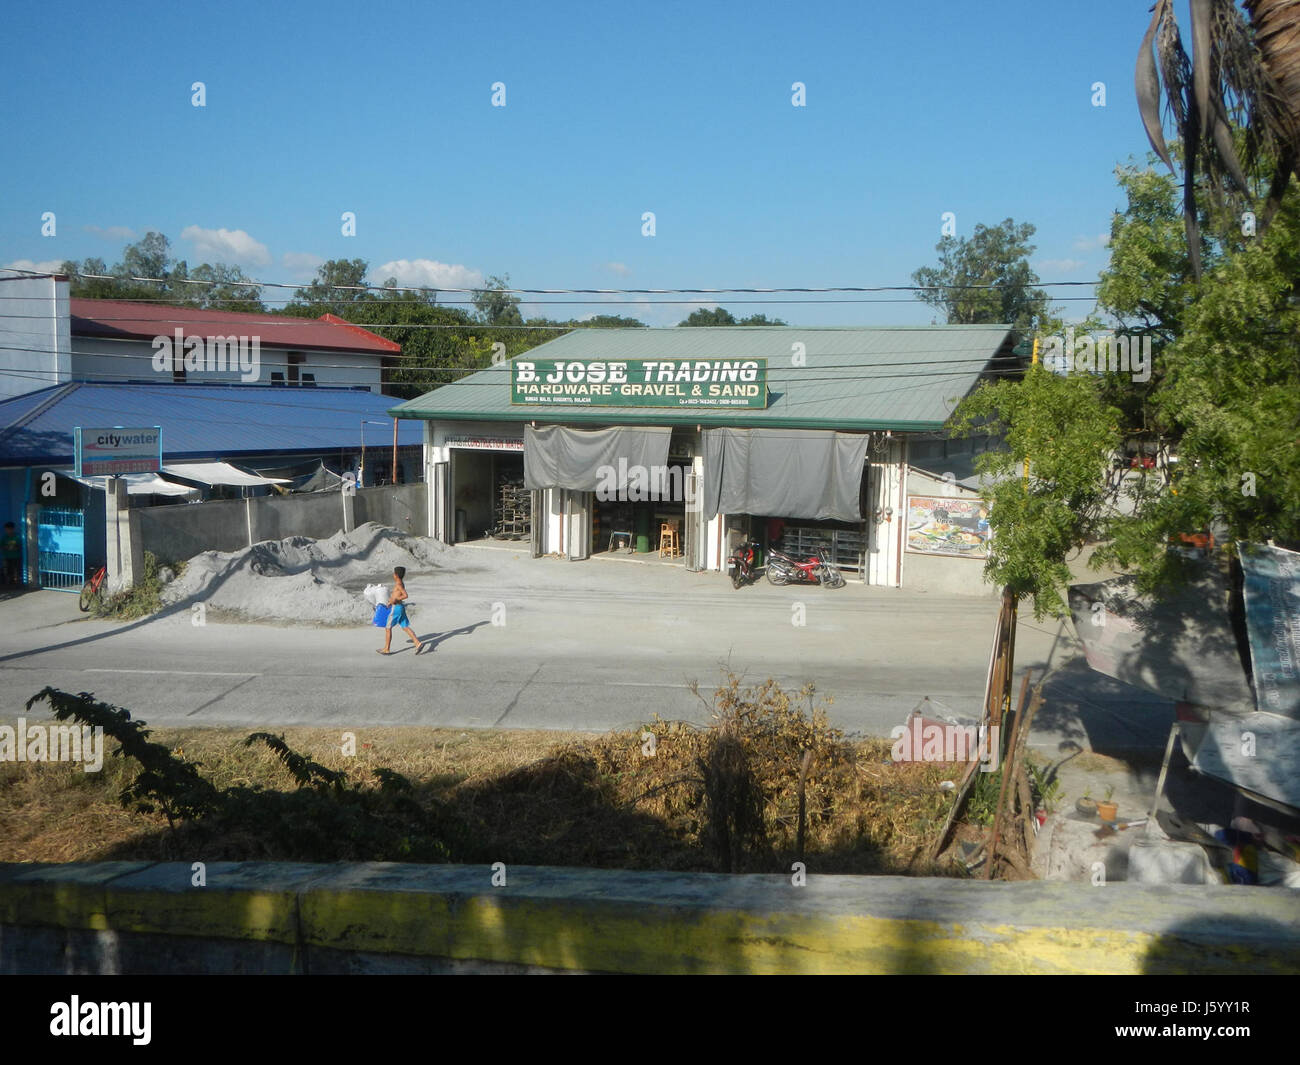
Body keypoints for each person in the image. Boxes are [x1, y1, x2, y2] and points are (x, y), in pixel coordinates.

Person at [377, 565, 423, 655]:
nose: (393, 575)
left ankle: (386, 649)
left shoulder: (398, 584)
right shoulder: (400, 583)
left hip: (397, 608)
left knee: (388, 628)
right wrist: (391, 601)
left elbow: (405, 595)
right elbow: (397, 595)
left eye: (394, 574)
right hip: (400, 607)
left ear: (396, 575)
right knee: (405, 627)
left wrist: (395, 600)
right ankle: (418, 643)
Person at [1, 522, 21, 587]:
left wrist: (12, 547)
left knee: (16, 570)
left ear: (12, 529)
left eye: (9, 529)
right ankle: (8, 584)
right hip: (6, 557)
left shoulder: (17, 537)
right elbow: (1, 546)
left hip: (16, 556)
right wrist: (7, 547)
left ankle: (17, 584)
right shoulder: (4, 537)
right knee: (6, 571)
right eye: (6, 529)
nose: (8, 531)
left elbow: (19, 546)